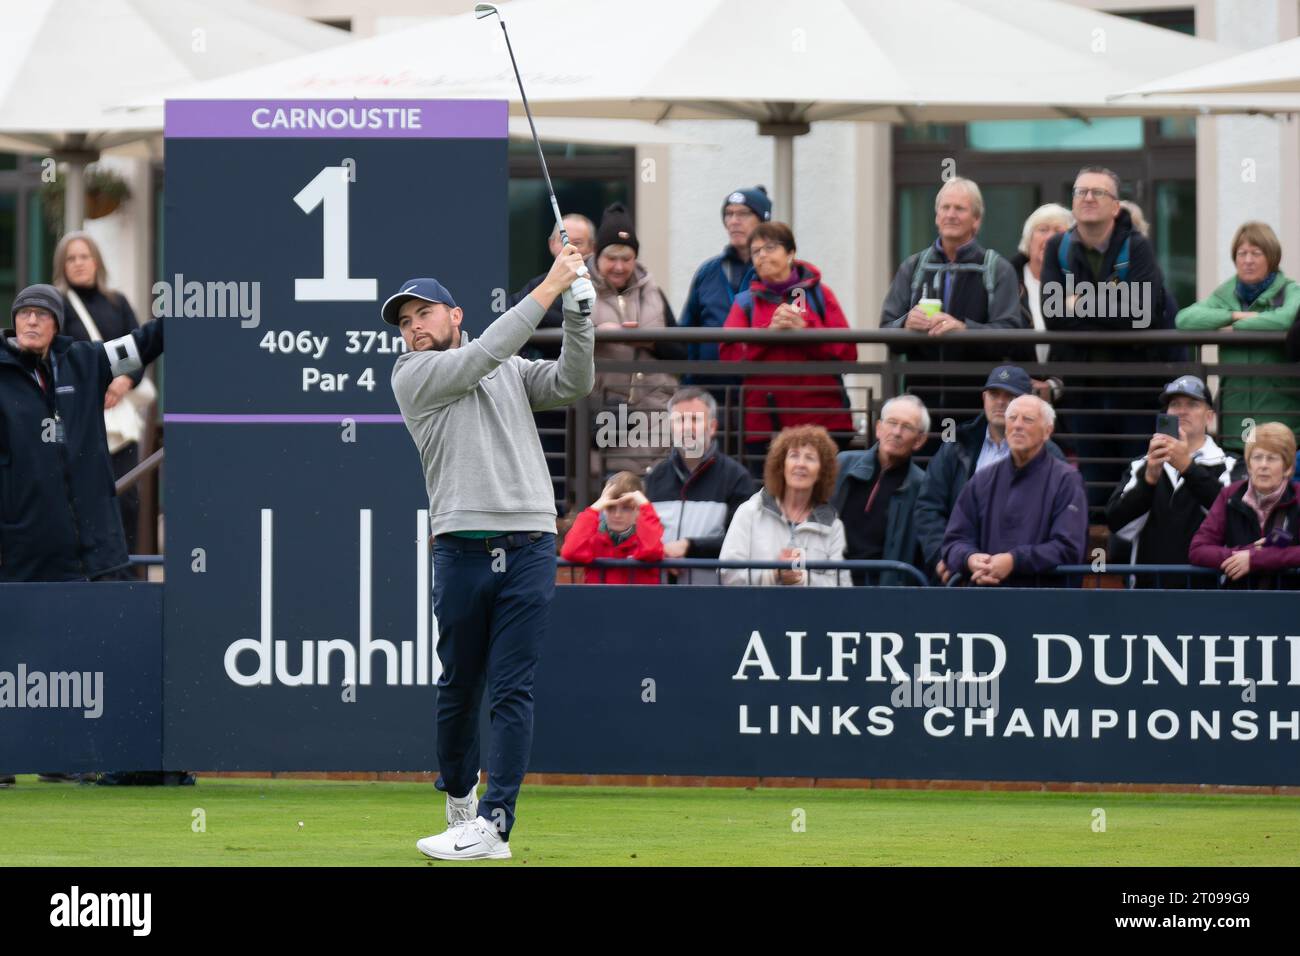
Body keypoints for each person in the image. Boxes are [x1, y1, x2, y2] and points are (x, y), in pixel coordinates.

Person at [389, 245, 595, 861]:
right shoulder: (412, 375)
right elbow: (484, 354)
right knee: (459, 687)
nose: (413, 328)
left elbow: (572, 381)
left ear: (455, 314)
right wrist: (554, 285)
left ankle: (495, 824)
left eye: (422, 314)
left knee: (512, 688)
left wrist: (581, 315)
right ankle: (460, 800)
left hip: (530, 542)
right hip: (460, 550)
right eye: (403, 321)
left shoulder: (507, 368)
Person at [0, 284, 163, 582]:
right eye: (24, 313)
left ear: (57, 324)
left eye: (41, 314)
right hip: (28, 560)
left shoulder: (87, 361)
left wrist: (185, 313)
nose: (32, 321)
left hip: (100, 554)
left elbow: (144, 345)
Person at [1040, 166, 1165, 507]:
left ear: (1116, 206)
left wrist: (1077, 301)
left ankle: (1134, 561)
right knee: (1092, 491)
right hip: (1084, 392)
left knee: (1137, 488)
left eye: (1098, 192)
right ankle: (1096, 559)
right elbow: (1052, 315)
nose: (1088, 198)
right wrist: (1116, 305)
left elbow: (1143, 314)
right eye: (1081, 192)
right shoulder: (1057, 248)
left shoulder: (1137, 247)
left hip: (1134, 392)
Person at [719, 221, 856, 476]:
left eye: (770, 247)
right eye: (756, 251)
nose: (762, 256)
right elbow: (728, 357)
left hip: (824, 422)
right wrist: (767, 334)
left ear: (791, 253)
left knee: (823, 498)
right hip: (765, 425)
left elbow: (848, 353)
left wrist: (806, 330)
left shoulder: (820, 295)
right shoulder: (745, 302)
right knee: (769, 499)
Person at [880, 177, 1025, 413]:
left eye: (960, 208)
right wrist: (905, 324)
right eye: (945, 208)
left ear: (976, 221)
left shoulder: (996, 268)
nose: (951, 214)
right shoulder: (914, 266)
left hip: (976, 405)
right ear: (937, 217)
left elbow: (1010, 334)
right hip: (921, 405)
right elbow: (886, 329)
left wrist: (964, 330)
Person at [52, 231, 155, 562]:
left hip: (118, 422)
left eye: (84, 256)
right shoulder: (58, 307)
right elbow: (59, 357)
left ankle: (129, 571)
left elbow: (138, 346)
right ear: (62, 266)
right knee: (81, 498)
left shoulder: (117, 303)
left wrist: (124, 380)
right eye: (71, 258)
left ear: (96, 261)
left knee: (126, 496)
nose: (79, 263)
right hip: (80, 418)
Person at [914, 366, 1066, 583]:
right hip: (963, 576)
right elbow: (928, 507)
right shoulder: (956, 444)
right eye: (994, 394)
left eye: (1010, 396)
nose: (1000, 402)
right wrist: (945, 555)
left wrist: (1015, 561)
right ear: (984, 398)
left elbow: (1058, 527)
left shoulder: (1050, 455)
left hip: (1025, 581)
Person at [942, 395, 1088, 587]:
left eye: (1028, 419)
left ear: (1047, 431)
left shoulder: (1066, 481)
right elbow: (955, 540)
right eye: (1012, 418)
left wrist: (1014, 561)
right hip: (984, 601)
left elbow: (1068, 548)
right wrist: (971, 559)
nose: (1018, 425)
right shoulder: (983, 479)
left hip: (1044, 604)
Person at [1106, 375, 1238, 586]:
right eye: (1175, 404)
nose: (1182, 411)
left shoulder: (1230, 464)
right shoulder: (1141, 465)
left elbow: (1235, 518)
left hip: (1210, 595)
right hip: (1149, 595)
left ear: (1210, 417)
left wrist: (1187, 468)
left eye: (1192, 404)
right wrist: (1149, 479)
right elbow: (1117, 524)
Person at [1178, 221, 1300, 450]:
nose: (1248, 260)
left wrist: (1233, 328)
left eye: (1256, 253)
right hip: (1234, 420)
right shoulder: (1226, 294)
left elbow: (1285, 319)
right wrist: (1236, 315)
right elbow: (1184, 319)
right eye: (1242, 253)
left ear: (1271, 257)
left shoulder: (1291, 290)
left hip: (1282, 418)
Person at [586, 202, 685, 476]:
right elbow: (555, 340)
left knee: (653, 499)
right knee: (610, 499)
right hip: (603, 415)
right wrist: (596, 334)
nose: (619, 267)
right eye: (611, 258)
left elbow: (681, 351)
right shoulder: (576, 289)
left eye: (627, 258)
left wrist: (648, 341)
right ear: (596, 255)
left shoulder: (655, 292)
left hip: (656, 415)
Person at [506, 213, 595, 512]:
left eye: (577, 243)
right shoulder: (537, 284)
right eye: (563, 240)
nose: (568, 249)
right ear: (551, 245)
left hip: (597, 399)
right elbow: (517, 310)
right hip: (548, 398)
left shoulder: (600, 281)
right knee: (549, 472)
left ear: (591, 249)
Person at [644, 387, 756, 585]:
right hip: (658, 594)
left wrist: (689, 546)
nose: (687, 428)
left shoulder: (737, 478)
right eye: (680, 420)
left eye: (695, 419)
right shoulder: (654, 477)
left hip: (713, 596)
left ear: (712, 427)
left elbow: (743, 542)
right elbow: (642, 536)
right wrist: (660, 552)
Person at [719, 425, 850, 587]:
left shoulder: (833, 526)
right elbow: (727, 573)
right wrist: (774, 574)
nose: (800, 464)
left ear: (822, 472)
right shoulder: (749, 512)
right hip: (755, 610)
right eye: (794, 456)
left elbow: (842, 586)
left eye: (810, 458)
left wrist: (803, 579)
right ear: (782, 466)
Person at [679, 185, 771, 406]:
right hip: (711, 393)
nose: (734, 221)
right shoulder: (708, 271)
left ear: (763, 220)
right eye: (729, 214)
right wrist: (689, 386)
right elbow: (688, 332)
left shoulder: (775, 271)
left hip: (762, 392)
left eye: (743, 213)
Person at [831, 395, 928, 586]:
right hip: (832, 582)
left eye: (907, 427)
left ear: (919, 440)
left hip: (885, 591)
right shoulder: (843, 464)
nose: (897, 432)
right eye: (891, 423)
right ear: (878, 428)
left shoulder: (922, 486)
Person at [1189, 422, 1300, 589]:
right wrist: (1243, 553)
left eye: (1272, 458)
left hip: (1290, 605)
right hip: (1238, 603)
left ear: (1288, 467)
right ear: (1248, 465)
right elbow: (1198, 549)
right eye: (1257, 457)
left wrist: (1255, 559)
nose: (1263, 465)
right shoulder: (1229, 495)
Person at [1008, 203, 1072, 399]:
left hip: (1069, 400)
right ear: (1028, 239)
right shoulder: (1005, 280)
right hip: (1013, 395)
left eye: (1059, 231)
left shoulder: (1081, 284)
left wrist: (1055, 385)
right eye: (1042, 230)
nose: (1050, 237)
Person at [560, 472, 665, 584]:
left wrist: (645, 505)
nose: (617, 515)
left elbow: (651, 551)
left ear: (638, 510)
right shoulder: (593, 538)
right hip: (599, 601)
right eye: (610, 508)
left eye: (626, 508)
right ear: (603, 508)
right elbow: (571, 551)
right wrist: (594, 508)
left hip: (636, 601)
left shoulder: (645, 539)